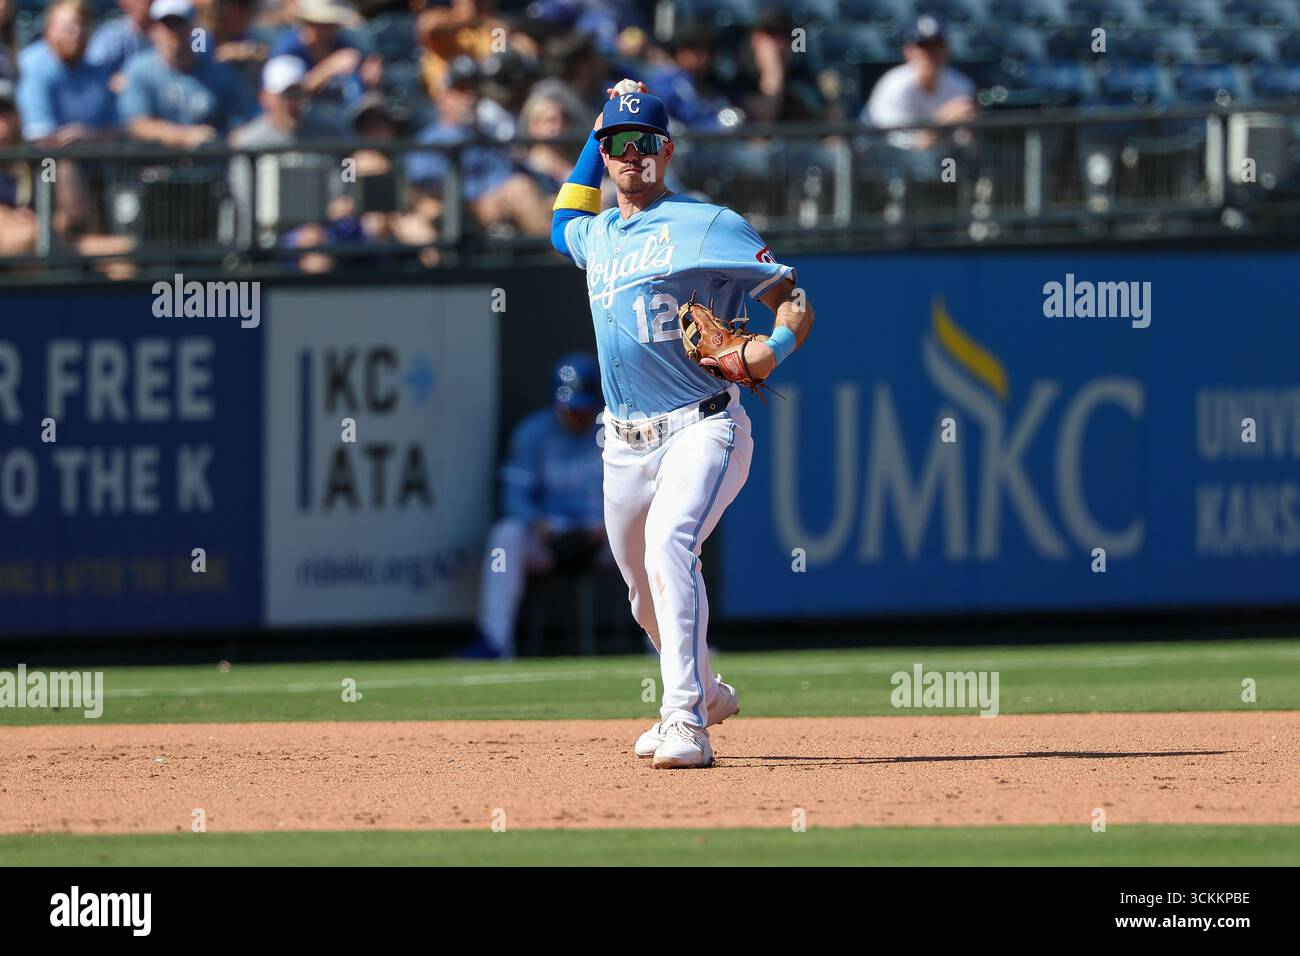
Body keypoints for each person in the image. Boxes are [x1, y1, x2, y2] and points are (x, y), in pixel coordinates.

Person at [549, 85, 815, 768]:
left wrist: (773, 349)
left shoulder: (706, 223)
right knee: (643, 596)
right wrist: (599, 122)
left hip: (704, 426)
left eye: (643, 142)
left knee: (673, 542)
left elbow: (793, 299)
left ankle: (685, 722)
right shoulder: (597, 234)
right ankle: (710, 692)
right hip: (623, 443)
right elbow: (560, 222)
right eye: (617, 145)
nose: (630, 155)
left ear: (667, 151)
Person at [461, 354, 608, 660]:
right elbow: (513, 497)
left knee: (653, 536)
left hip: (607, 535)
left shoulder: (613, 430)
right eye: (570, 408)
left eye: (582, 408)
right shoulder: (534, 433)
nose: (576, 415)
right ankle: (495, 642)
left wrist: (610, 524)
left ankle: (666, 648)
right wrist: (539, 523)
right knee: (506, 535)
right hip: (549, 534)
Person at [405, 56, 550, 237]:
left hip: (501, 203)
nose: (470, 96)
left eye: (474, 89)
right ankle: (563, 260)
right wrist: (476, 203)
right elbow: (424, 193)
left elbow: (506, 174)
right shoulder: (430, 140)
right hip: (463, 212)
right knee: (520, 190)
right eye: (462, 89)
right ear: (442, 95)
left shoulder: (487, 136)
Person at [119, 0, 255, 146]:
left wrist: (221, 142)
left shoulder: (220, 74)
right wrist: (182, 136)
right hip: (156, 164)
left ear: (193, 29)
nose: (174, 33)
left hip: (210, 162)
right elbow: (136, 125)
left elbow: (239, 123)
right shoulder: (140, 70)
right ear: (154, 30)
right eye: (167, 26)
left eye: (180, 25)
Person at [863, 15, 976, 150]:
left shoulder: (960, 85)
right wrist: (943, 120)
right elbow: (902, 148)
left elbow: (964, 140)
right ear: (908, 52)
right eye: (923, 47)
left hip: (941, 162)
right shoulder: (894, 87)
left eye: (936, 47)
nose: (929, 55)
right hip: (879, 157)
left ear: (946, 51)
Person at [15, 0, 118, 144]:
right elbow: (38, 137)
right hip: (44, 161)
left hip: (95, 158)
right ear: (48, 31)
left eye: (83, 26)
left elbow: (119, 131)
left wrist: (89, 136)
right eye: (68, 28)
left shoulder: (98, 70)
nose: (77, 34)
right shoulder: (32, 65)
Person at [269, 0, 379, 108]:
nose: (330, 30)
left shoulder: (342, 44)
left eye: (331, 25)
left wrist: (368, 78)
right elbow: (285, 99)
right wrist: (328, 69)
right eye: (323, 25)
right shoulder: (288, 51)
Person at [86, 0, 153, 80]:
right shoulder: (110, 36)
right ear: (123, 2)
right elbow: (93, 73)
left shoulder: (167, 33)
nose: (145, 2)